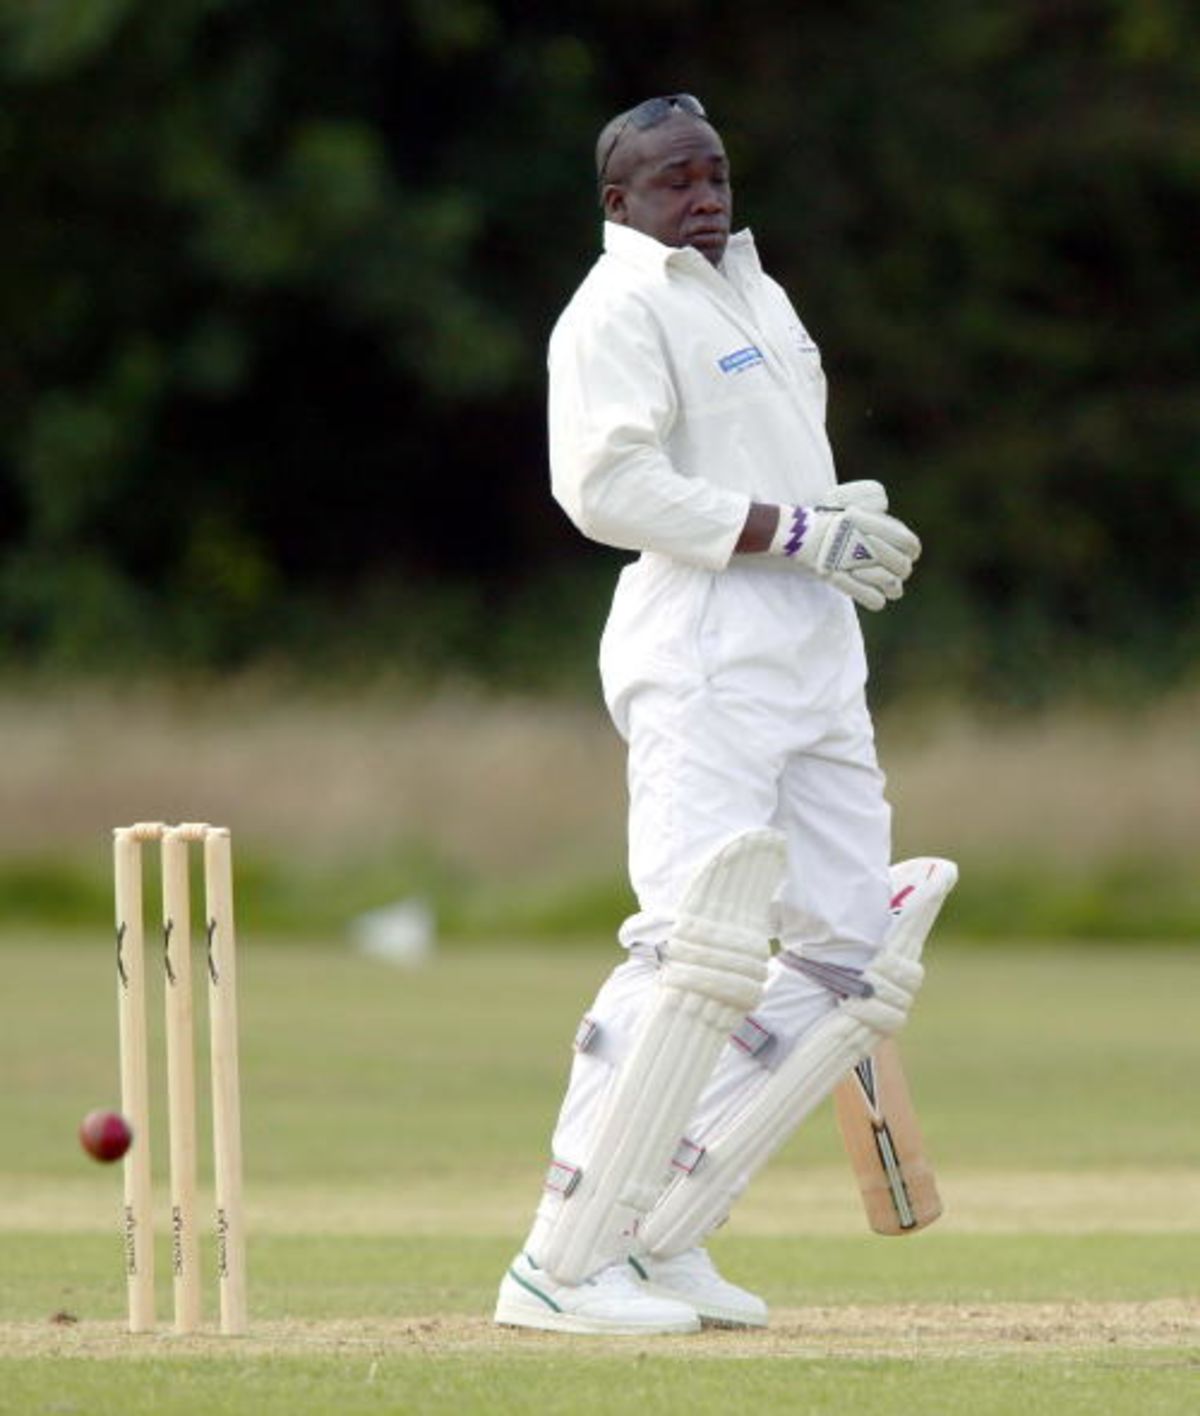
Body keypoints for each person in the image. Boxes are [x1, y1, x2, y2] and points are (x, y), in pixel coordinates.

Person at [494, 94, 926, 1337]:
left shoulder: (757, 291)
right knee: (696, 948)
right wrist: (796, 527)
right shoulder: (616, 308)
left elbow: (756, 467)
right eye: (674, 182)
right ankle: (562, 1257)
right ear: (617, 202)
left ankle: (660, 1228)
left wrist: (831, 509)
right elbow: (607, 485)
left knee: (850, 956)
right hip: (704, 651)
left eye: (716, 174)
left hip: (812, 649)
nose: (704, 198)